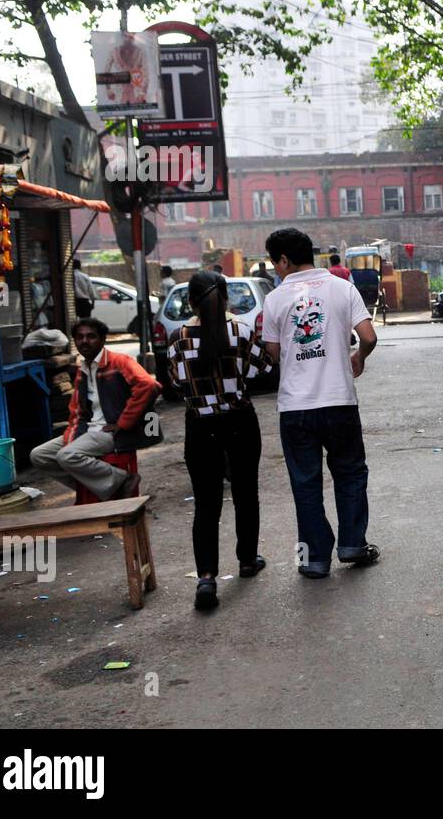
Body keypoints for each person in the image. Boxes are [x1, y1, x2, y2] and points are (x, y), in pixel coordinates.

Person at [261, 228, 379, 579]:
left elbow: (273, 352)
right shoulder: (343, 288)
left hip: (296, 408)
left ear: (284, 260)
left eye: (274, 263)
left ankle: (314, 559)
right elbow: (369, 336)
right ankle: (352, 544)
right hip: (339, 401)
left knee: (306, 482)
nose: (275, 270)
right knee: (350, 472)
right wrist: (358, 356)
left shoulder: (275, 298)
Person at [167, 271, 274, 611]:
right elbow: (263, 369)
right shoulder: (240, 332)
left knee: (206, 504)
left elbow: (175, 383)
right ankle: (246, 560)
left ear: (191, 301)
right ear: (226, 299)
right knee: (245, 494)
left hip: (200, 427)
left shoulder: (178, 338)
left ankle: (207, 578)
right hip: (240, 423)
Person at [29, 318, 160, 501]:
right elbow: (76, 411)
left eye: (91, 336)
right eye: (80, 337)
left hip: (111, 432)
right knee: (40, 455)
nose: (85, 341)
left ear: (102, 339)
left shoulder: (119, 361)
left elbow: (149, 385)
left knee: (67, 456)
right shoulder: (83, 370)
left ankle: (123, 480)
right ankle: (94, 486)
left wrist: (123, 422)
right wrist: (70, 438)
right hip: (88, 429)